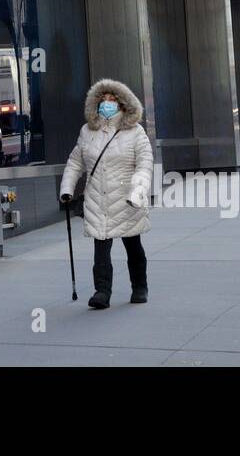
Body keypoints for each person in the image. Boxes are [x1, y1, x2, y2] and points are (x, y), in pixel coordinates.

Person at [59, 78, 153, 309]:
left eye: (112, 100)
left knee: (133, 244)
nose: (107, 104)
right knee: (101, 247)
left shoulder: (135, 131)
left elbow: (145, 163)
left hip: (126, 198)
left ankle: (139, 287)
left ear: (122, 105)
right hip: (97, 198)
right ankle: (102, 292)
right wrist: (67, 189)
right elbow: (75, 162)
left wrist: (138, 190)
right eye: (103, 100)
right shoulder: (87, 131)